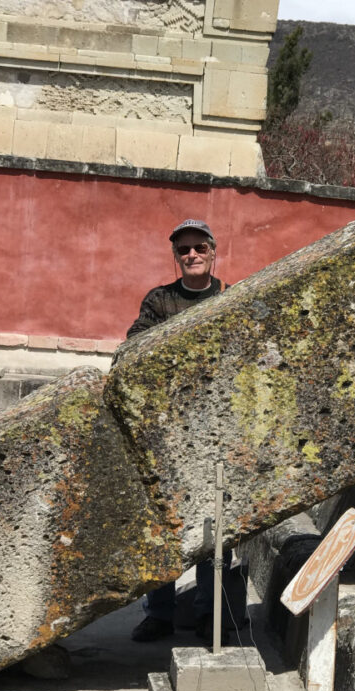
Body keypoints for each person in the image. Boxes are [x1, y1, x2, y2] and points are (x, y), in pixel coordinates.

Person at [127, 218, 233, 643]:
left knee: (216, 525)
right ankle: (160, 613)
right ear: (176, 256)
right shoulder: (159, 300)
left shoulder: (230, 297)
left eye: (198, 248)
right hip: (167, 430)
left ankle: (212, 613)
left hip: (217, 429)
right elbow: (134, 345)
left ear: (212, 252)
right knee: (162, 523)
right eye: (183, 249)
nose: (191, 255)